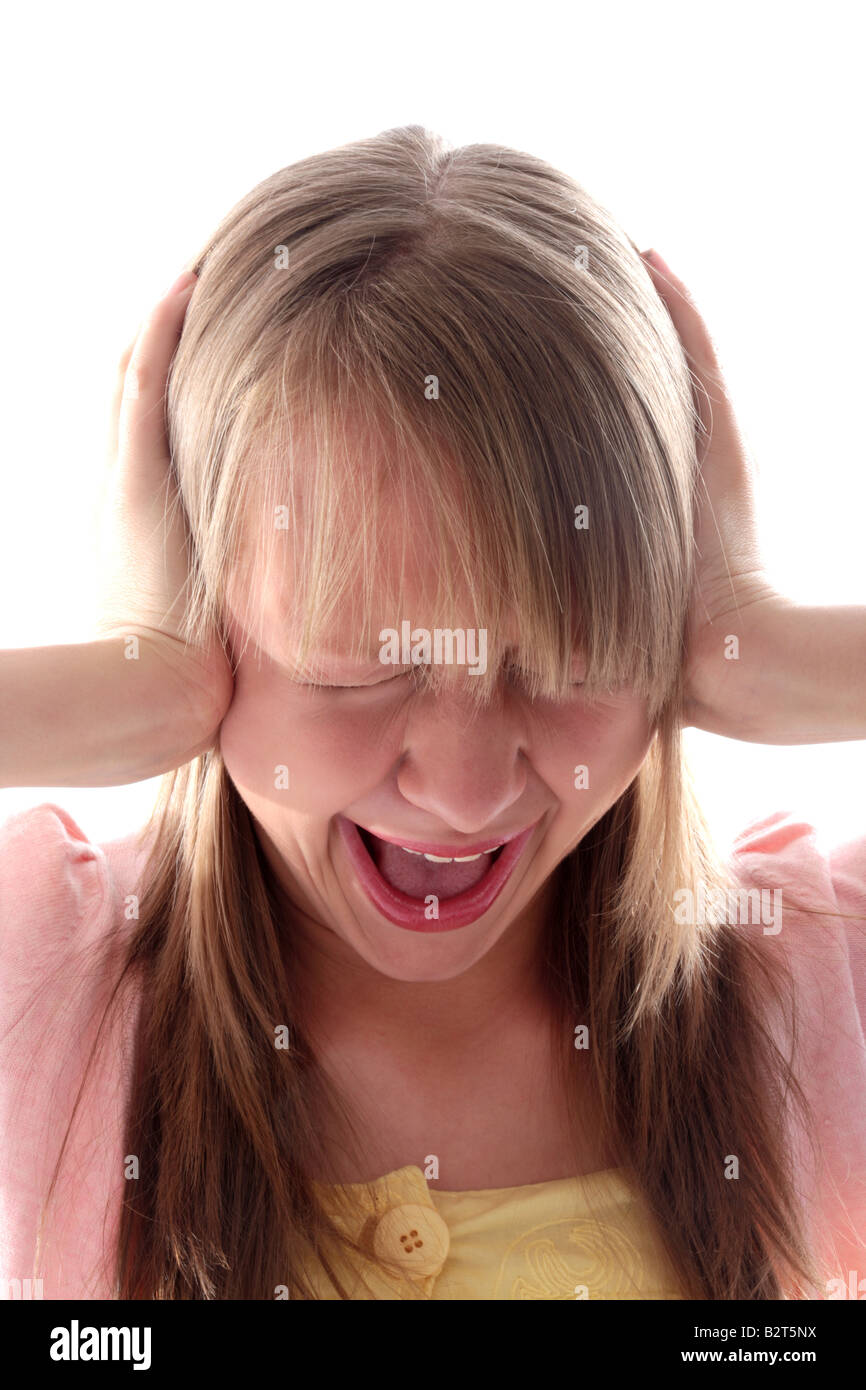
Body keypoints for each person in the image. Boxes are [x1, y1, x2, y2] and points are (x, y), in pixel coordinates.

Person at [1, 125, 864, 1301]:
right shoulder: (45, 982)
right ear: (205, 623)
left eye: (572, 661)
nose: (464, 792)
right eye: (352, 672)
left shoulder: (811, 992)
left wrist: (763, 640)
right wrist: (126, 679)